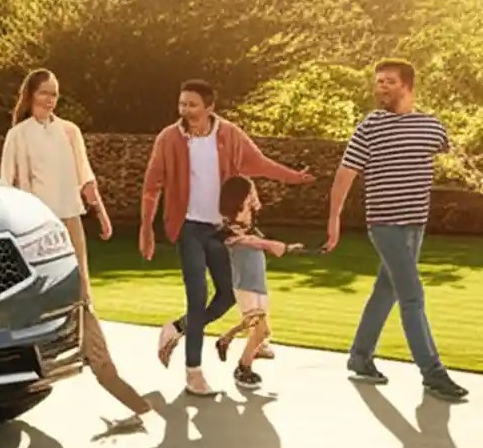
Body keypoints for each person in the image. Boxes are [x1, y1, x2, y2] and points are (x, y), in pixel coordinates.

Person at [0, 68, 157, 433]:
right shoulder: (18, 136)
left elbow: (85, 178)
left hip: (70, 223)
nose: (50, 100)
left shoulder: (69, 131)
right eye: (44, 94)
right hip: (36, 228)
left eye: (55, 94)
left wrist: (100, 214)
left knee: (82, 296)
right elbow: (8, 188)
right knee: (38, 302)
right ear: (30, 95)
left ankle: (108, 375)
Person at [140, 79, 313, 396]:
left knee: (226, 297)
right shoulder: (169, 138)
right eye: (182, 104)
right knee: (196, 296)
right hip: (189, 228)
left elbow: (260, 164)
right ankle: (193, 372)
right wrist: (146, 229)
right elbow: (152, 186)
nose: (185, 110)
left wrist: (294, 177)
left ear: (209, 107)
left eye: (192, 104)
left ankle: (175, 329)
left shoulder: (229, 135)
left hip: (220, 230)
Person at [323, 58, 468, 403]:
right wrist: (334, 218)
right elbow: (345, 175)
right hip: (385, 225)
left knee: (386, 290)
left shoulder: (431, 127)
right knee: (412, 296)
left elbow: (455, 156)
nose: (381, 87)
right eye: (378, 82)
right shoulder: (369, 126)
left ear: (407, 85)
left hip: (416, 224)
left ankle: (360, 356)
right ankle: (432, 373)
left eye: (388, 81)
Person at [212, 175, 304, 389]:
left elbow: (255, 240)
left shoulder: (248, 226)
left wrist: (285, 247)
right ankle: (243, 368)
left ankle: (228, 340)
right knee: (260, 330)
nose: (255, 197)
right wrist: (275, 245)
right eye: (250, 193)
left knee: (260, 329)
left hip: (257, 283)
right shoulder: (229, 230)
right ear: (239, 199)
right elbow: (248, 242)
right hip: (246, 285)